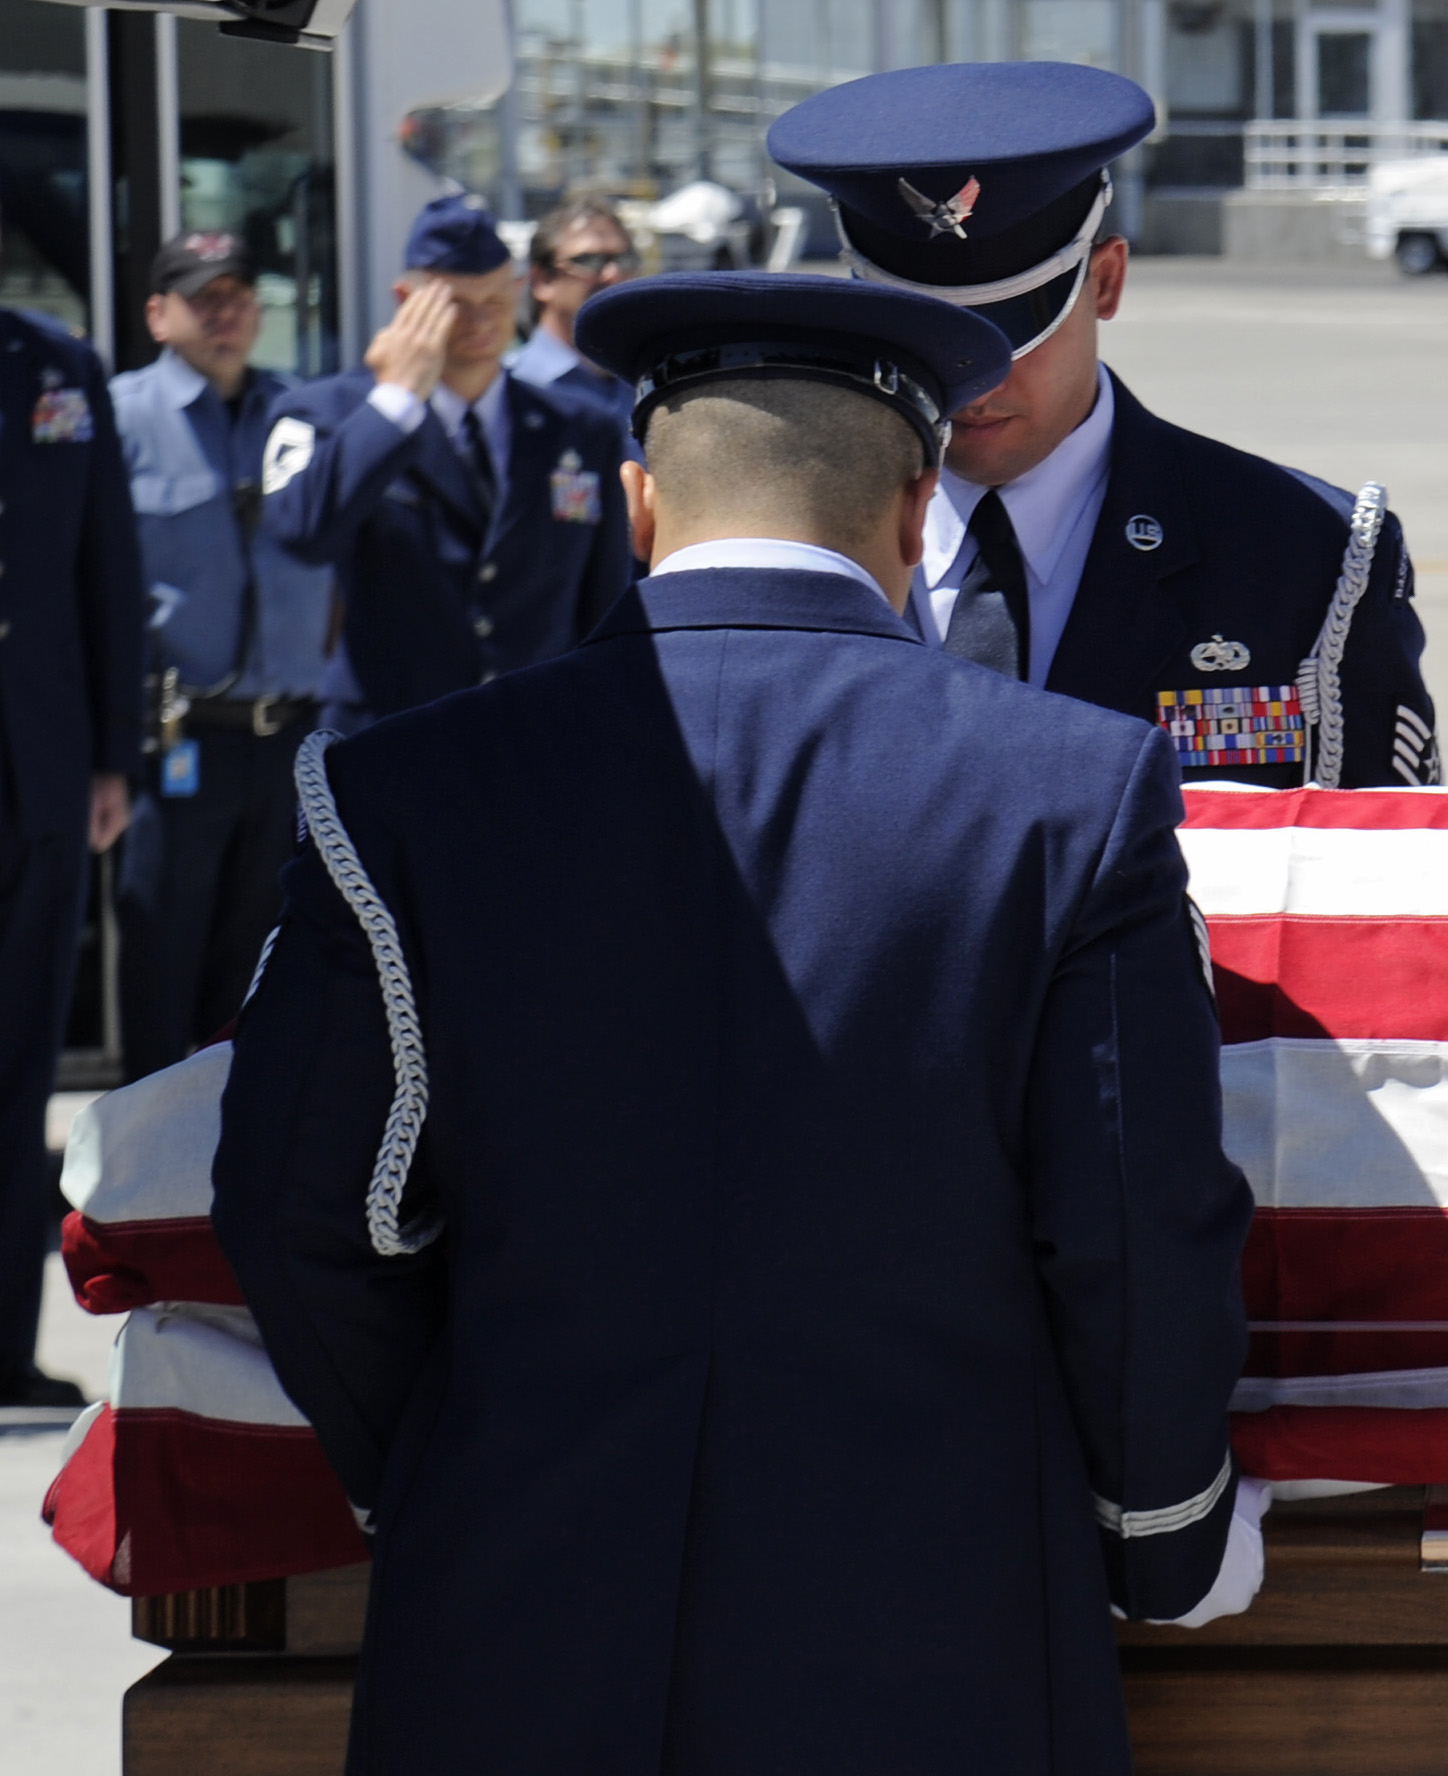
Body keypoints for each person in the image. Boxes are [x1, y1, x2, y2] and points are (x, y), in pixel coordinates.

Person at [211, 271, 1260, 1771]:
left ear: (638, 503)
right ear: (916, 511)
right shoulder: (1071, 793)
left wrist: (445, 1466)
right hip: (938, 1620)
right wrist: (1157, 1536)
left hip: (512, 1611)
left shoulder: (399, 791)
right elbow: (1132, 1229)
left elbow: (302, 1208)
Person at [769, 61, 1441, 790]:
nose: (974, 382)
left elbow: (1384, 847)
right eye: (925, 334)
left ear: (1108, 282)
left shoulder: (1302, 551)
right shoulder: (781, 545)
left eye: (1012, 332)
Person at [264, 196, 637, 733]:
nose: (480, 321)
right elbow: (301, 533)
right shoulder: (335, 413)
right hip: (390, 738)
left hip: (535, 736)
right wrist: (396, 401)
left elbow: (602, 603)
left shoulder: (579, 428)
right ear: (406, 300)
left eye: (495, 299)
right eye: (456, 303)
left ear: (518, 289)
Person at [109, 230, 334, 1080]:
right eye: (203, 298)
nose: (225, 313)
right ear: (157, 315)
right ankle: (143, 1160)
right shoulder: (121, 417)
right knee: (160, 963)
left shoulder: (302, 415)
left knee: (262, 970)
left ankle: (237, 1153)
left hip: (286, 743)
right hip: (177, 742)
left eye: (239, 295)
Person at [0, 291, 142, 1410]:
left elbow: (108, 564)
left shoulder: (58, 366)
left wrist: (111, 755)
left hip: (35, 772)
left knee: (18, 1077)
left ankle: (2, 1346)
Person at [509, 193, 642, 416]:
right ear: (543, 280)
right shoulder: (509, 391)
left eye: (625, 259)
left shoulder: (653, 385)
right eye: (589, 260)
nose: (613, 273)